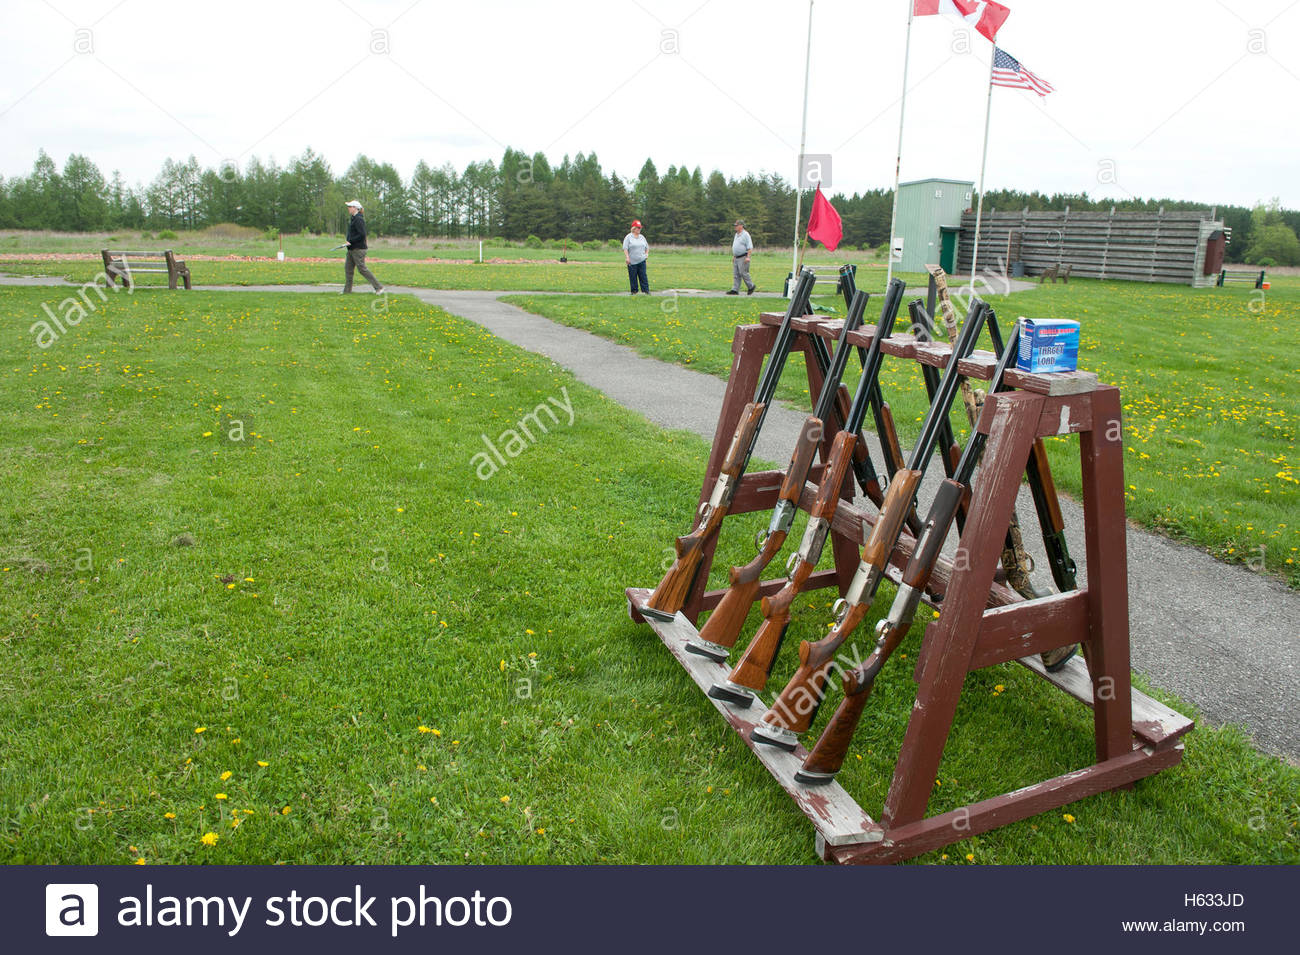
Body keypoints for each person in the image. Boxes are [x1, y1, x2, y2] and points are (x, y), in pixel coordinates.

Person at [342, 200, 384, 293]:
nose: (348, 208)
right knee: (348, 269)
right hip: (351, 249)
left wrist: (351, 241)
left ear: (355, 208)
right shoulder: (353, 218)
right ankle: (347, 291)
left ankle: (379, 287)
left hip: (358, 249)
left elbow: (362, 234)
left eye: (350, 207)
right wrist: (348, 241)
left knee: (362, 269)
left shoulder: (359, 219)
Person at [728, 218, 755, 295]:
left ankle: (751, 286)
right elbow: (736, 246)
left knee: (743, 273)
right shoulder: (736, 235)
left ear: (741, 226)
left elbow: (750, 247)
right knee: (736, 274)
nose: (735, 227)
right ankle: (735, 289)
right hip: (737, 257)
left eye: (736, 225)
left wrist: (748, 257)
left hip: (743, 257)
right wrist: (734, 256)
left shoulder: (746, 235)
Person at [623, 220, 649, 294]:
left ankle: (646, 291)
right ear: (634, 228)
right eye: (638, 228)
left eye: (640, 228)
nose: (639, 229)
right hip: (632, 261)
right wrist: (627, 257)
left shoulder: (642, 237)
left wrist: (646, 254)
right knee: (633, 277)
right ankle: (634, 292)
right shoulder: (628, 237)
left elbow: (647, 247)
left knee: (643, 276)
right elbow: (625, 248)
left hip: (642, 260)